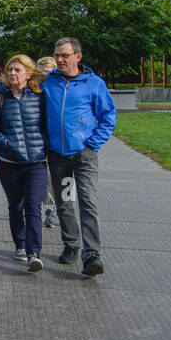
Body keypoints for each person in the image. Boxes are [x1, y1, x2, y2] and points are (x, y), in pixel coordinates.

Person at [43, 37, 116, 276]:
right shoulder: (48, 82)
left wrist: (92, 144)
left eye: (65, 55)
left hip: (83, 156)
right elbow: (19, 84)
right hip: (58, 156)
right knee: (64, 203)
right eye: (57, 55)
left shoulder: (93, 83)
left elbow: (107, 116)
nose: (60, 60)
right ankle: (71, 245)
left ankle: (92, 255)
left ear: (78, 56)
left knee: (87, 202)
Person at [0, 55, 50, 273]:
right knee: (16, 207)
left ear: (28, 74)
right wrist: (7, 144)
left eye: (18, 70)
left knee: (33, 206)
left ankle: (33, 253)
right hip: (10, 163)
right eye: (10, 69)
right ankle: (20, 244)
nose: (12, 73)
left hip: (36, 163)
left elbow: (47, 124)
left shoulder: (40, 96)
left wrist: (44, 144)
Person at [36, 56, 60, 229]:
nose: (45, 73)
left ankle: (64, 209)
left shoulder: (59, 86)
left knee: (64, 179)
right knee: (46, 178)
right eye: (41, 69)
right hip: (39, 140)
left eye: (48, 69)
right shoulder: (33, 88)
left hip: (59, 140)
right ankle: (49, 210)